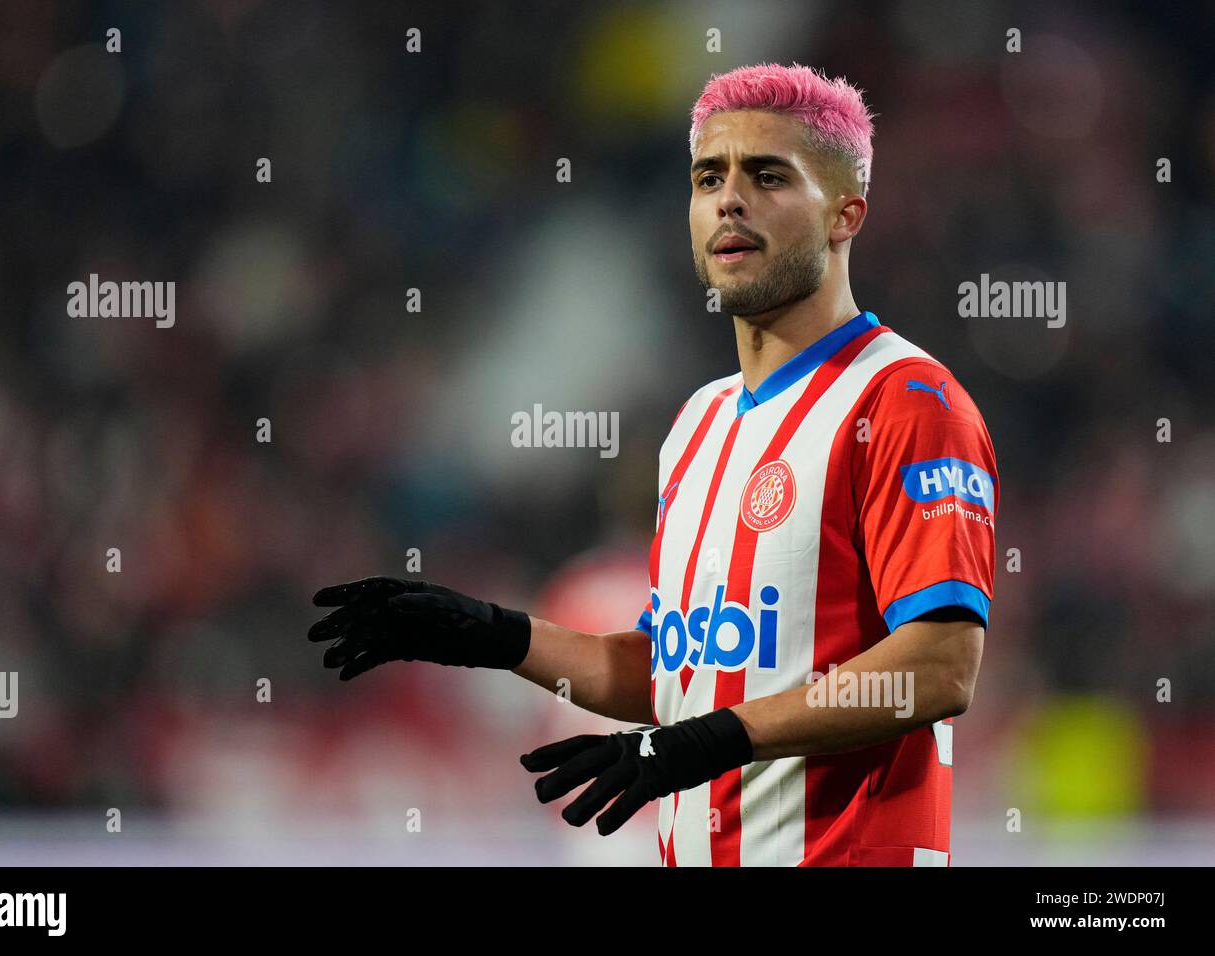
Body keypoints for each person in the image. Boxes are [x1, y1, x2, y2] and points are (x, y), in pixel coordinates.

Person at [308, 62, 998, 867]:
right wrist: (492, 635)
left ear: (846, 213)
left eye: (768, 175)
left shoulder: (906, 402)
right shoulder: (697, 424)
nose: (730, 199)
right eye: (710, 177)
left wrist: (711, 741)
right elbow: (680, 679)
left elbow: (940, 665)